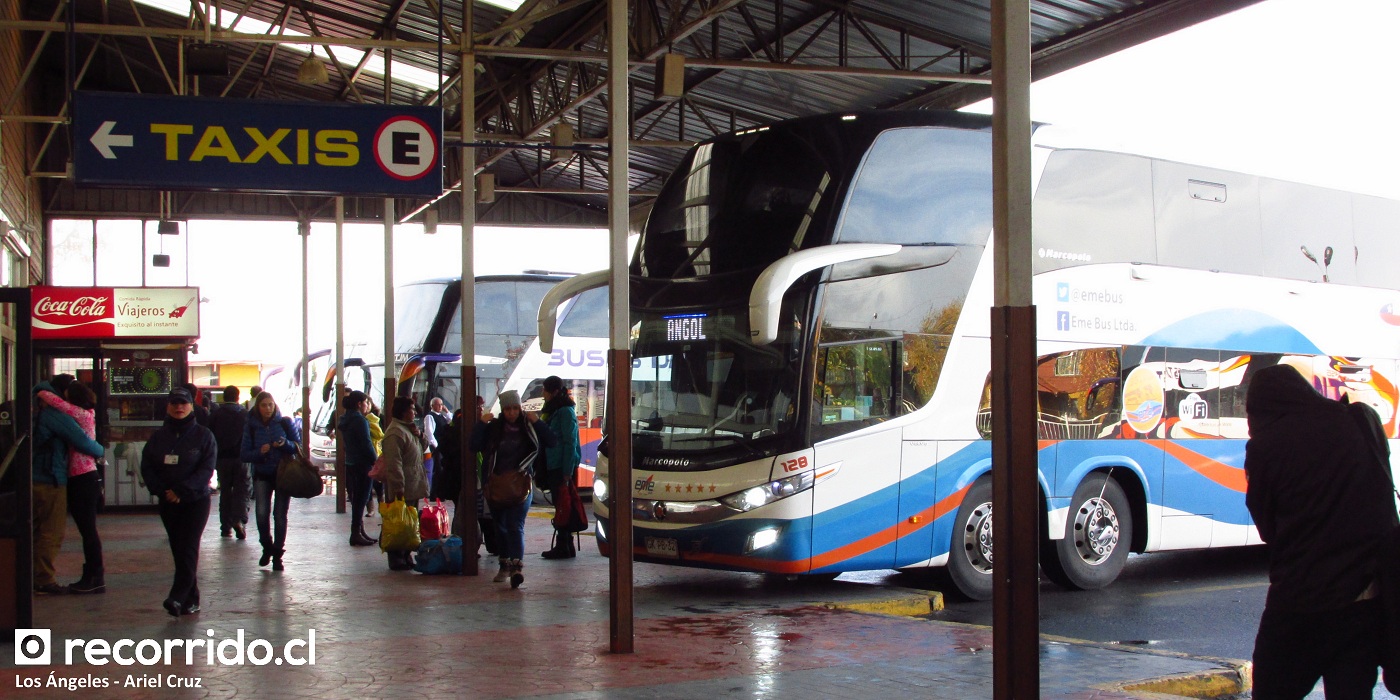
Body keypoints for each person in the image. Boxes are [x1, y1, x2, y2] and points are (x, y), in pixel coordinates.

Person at [1244, 363, 1400, 698]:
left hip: (1299, 605)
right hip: (1363, 604)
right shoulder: (1359, 422)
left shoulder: (1266, 445)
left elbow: (1266, 527)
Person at [139, 388, 217, 617]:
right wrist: (163, 491)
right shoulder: (158, 437)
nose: (179, 407)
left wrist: (182, 490)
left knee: (189, 547)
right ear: (168, 407)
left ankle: (176, 596)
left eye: (183, 403)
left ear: (192, 406)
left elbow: (206, 469)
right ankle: (191, 598)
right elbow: (148, 466)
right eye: (174, 403)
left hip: (195, 501)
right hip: (168, 502)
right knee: (178, 548)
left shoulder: (204, 436)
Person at [472, 389, 555, 588]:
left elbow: (552, 441)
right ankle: (504, 564)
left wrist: (538, 422)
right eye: (508, 409)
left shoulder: (528, 427)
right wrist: (482, 424)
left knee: (515, 526)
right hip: (496, 485)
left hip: (521, 484)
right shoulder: (494, 428)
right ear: (503, 409)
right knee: (499, 527)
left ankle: (517, 567)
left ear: (520, 408)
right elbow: (473, 445)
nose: (512, 413)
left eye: (515, 408)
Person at [30, 377, 105, 595]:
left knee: (82, 530)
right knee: (51, 531)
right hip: (54, 477)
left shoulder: (59, 411)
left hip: (76, 477)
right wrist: (100, 452)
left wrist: (41, 393)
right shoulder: (55, 413)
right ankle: (44, 578)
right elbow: (82, 441)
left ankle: (93, 576)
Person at [241, 391, 300, 572]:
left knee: (280, 515)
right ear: (257, 407)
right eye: (264, 405)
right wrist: (260, 451)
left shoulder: (285, 422)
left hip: (283, 474)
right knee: (261, 513)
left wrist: (285, 445)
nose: (268, 409)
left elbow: (297, 446)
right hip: (262, 474)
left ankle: (277, 555)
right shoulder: (251, 426)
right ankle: (267, 546)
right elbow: (244, 454)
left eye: (270, 405)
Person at [381, 396, 428, 570]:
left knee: (409, 521)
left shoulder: (408, 430)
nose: (414, 412)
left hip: (413, 482)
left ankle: (406, 553)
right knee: (397, 521)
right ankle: (396, 556)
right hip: (403, 484)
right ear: (403, 411)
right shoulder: (395, 433)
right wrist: (398, 486)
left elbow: (422, 449)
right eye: (412, 409)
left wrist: (420, 435)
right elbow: (394, 464)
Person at [537, 376, 582, 559]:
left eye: (545, 390)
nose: (543, 393)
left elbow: (570, 442)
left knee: (563, 504)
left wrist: (566, 471)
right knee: (561, 504)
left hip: (561, 467)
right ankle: (565, 544)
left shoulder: (563, 410)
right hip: (555, 465)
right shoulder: (555, 409)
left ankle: (563, 546)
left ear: (554, 391)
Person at [208, 386, 249, 539]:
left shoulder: (215, 414)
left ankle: (225, 527)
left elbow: (210, 435)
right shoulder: (245, 414)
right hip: (241, 458)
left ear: (224, 398)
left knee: (225, 491)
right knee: (242, 490)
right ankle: (239, 520)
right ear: (238, 397)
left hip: (222, 459)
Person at [337, 391, 378, 547]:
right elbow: (366, 443)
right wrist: (375, 461)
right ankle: (356, 533)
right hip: (363, 463)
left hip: (351, 462)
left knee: (357, 499)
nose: (368, 405)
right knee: (362, 498)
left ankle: (359, 531)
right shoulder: (360, 421)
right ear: (359, 404)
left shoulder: (345, 419)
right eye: (366, 402)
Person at [422, 397, 450, 494]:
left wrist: (447, 411)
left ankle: (441, 492)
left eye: (441, 404)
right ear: (432, 406)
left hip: (443, 446)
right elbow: (429, 432)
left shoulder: (442, 416)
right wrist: (436, 446)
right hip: (436, 447)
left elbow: (451, 420)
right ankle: (435, 493)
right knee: (437, 470)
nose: (440, 406)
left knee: (442, 469)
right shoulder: (430, 416)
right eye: (438, 404)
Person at [366, 397, 385, 518]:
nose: (366, 405)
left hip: (378, 452)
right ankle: (370, 508)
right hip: (368, 455)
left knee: (379, 483)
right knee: (368, 482)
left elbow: (381, 434)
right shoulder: (362, 420)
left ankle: (382, 505)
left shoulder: (379, 418)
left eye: (368, 402)